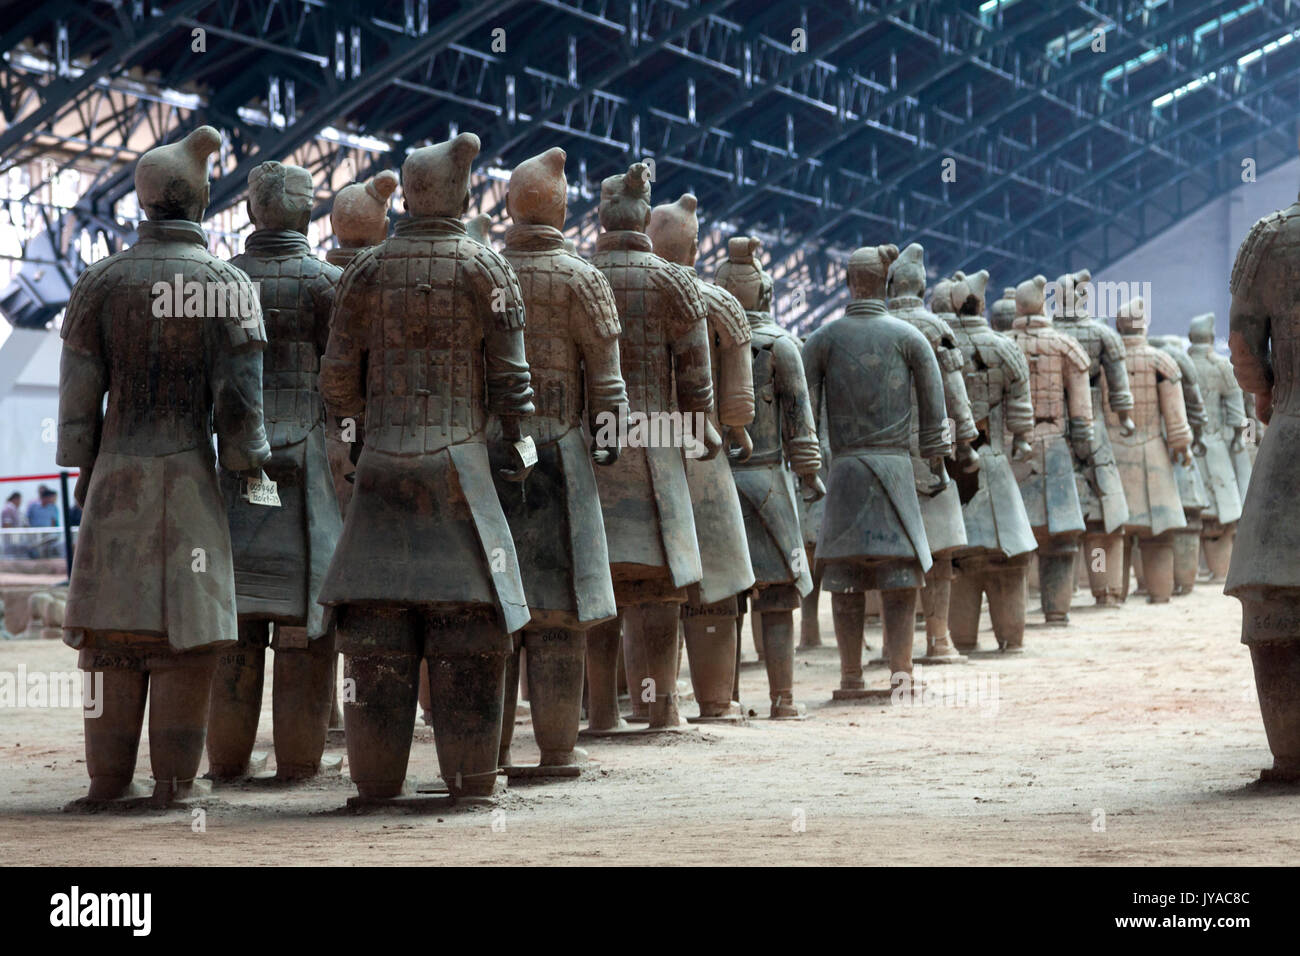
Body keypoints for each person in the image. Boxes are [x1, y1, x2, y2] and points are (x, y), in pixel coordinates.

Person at [26, 486, 61, 558]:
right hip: (35, 535)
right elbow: (27, 519)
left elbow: (54, 522)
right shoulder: (33, 506)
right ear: (46, 497)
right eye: (51, 497)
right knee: (36, 554)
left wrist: (54, 534)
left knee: (47, 554)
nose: (53, 499)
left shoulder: (53, 507)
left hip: (47, 535)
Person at [2, 492, 22, 558]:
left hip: (14, 538)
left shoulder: (13, 509)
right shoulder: (8, 509)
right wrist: (13, 538)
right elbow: (6, 525)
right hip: (10, 539)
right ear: (15, 499)